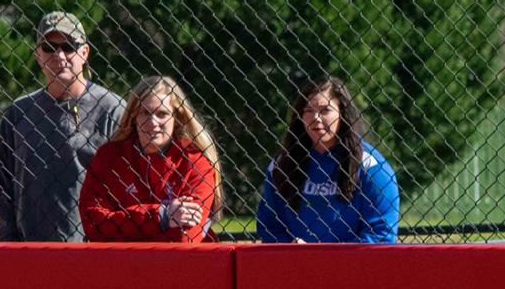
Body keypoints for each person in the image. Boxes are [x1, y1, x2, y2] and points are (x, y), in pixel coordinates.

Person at [0, 12, 124, 241]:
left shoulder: (112, 110)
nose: (59, 55)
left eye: (69, 46)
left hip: (94, 250)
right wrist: (10, 244)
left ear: (84, 53)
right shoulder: (19, 113)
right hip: (30, 251)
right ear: (38, 55)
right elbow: (3, 188)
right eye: (49, 47)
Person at [255, 77, 400, 243]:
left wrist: (328, 258)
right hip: (296, 265)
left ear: (343, 114)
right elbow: (269, 226)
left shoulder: (371, 166)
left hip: (351, 266)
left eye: (325, 110)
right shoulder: (282, 164)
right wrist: (290, 249)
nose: (315, 118)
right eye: (308, 110)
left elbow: (381, 234)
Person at [79, 76, 220, 243]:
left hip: (183, 265)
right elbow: (93, 224)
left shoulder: (196, 162)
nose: (152, 122)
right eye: (145, 112)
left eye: (162, 114)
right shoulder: (109, 157)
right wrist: (162, 216)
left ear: (177, 117)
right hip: (122, 265)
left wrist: (122, 225)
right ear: (134, 116)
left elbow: (185, 236)